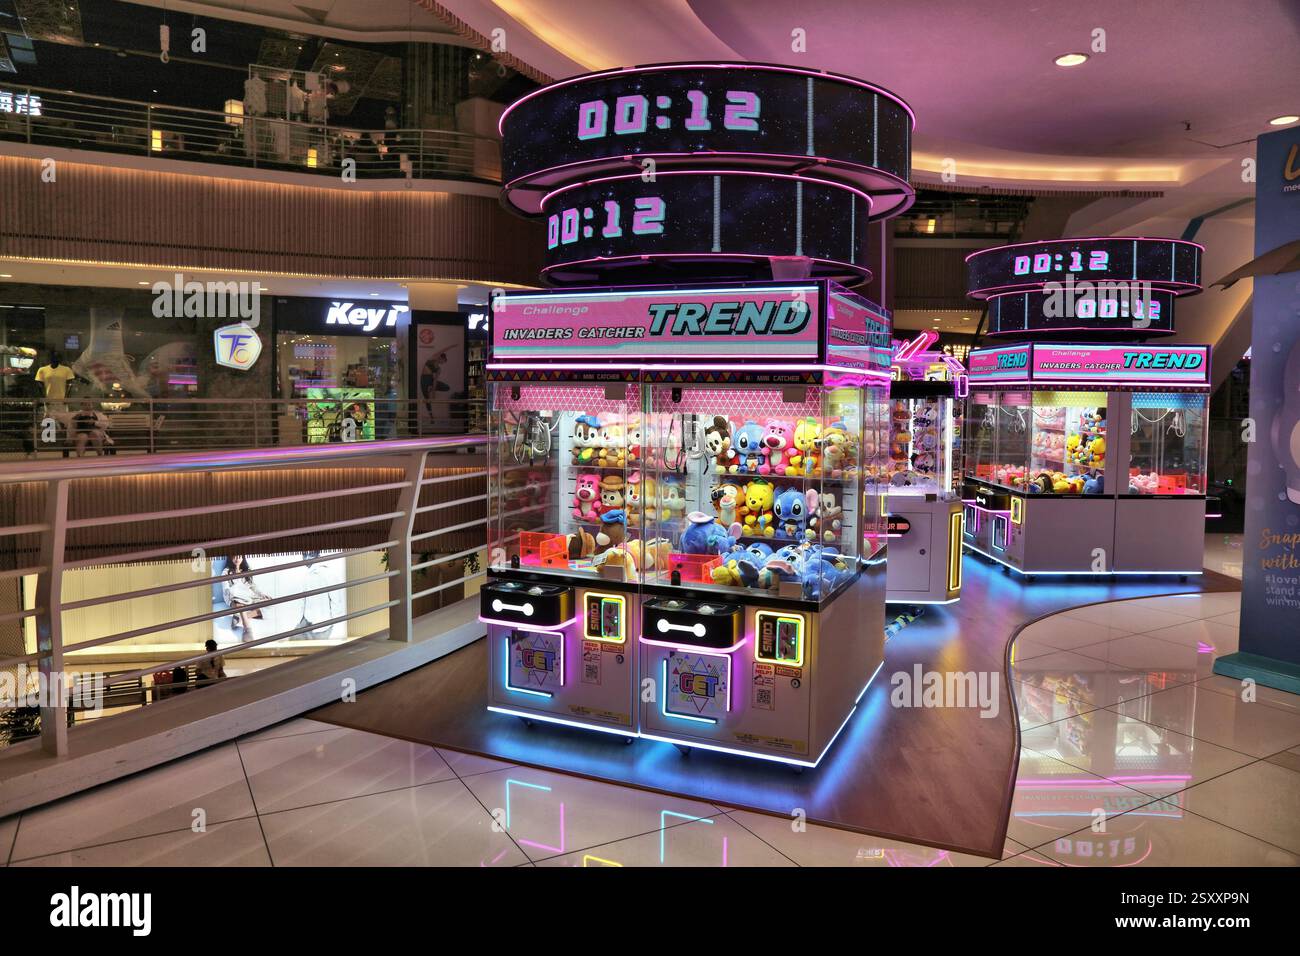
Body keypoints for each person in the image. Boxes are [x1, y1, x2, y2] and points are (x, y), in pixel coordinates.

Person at [222, 555, 268, 637]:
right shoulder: (226, 572)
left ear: (242, 558)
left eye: (239, 557)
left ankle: (240, 618)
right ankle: (247, 629)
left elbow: (253, 587)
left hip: (248, 596)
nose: (237, 559)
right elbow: (225, 588)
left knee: (270, 603)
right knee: (237, 596)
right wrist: (233, 595)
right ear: (231, 558)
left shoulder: (247, 571)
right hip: (235, 597)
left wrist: (261, 594)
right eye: (234, 557)